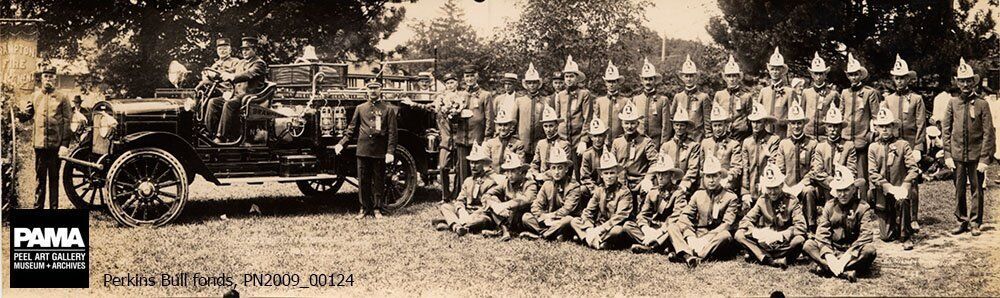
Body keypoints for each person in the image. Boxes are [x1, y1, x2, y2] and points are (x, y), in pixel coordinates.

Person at [943, 58, 995, 237]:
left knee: (976, 189)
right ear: (957, 83)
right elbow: (946, 130)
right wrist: (948, 154)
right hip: (957, 154)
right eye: (962, 81)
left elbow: (989, 133)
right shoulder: (952, 103)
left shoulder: (982, 104)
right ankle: (961, 220)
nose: (965, 84)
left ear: (973, 82)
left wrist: (984, 159)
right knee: (959, 188)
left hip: (976, 155)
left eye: (968, 81)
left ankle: (975, 222)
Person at [333, 79, 398, 219]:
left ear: (380, 90)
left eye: (376, 88)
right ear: (366, 90)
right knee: (363, 180)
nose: (373, 91)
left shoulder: (388, 109)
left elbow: (393, 133)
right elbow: (351, 129)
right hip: (363, 150)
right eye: (370, 88)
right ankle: (363, 208)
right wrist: (341, 143)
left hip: (379, 150)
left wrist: (390, 152)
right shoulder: (360, 108)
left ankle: (377, 209)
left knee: (379, 179)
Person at [804, 164, 878, 283]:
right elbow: (822, 234)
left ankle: (827, 268)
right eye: (839, 190)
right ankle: (845, 270)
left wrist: (849, 255)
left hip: (853, 251)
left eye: (846, 190)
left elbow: (866, 235)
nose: (842, 194)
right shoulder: (829, 206)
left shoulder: (863, 207)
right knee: (808, 245)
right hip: (833, 249)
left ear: (853, 189)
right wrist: (829, 254)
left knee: (870, 251)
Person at [402, 73, 469, 202]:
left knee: (461, 168)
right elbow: (428, 108)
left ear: (457, 83)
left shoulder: (463, 97)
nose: (450, 85)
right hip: (445, 138)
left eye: (452, 82)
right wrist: (412, 104)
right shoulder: (440, 98)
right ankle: (445, 196)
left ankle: (459, 195)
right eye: (448, 83)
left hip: (461, 138)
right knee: (443, 166)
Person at [666, 155, 739, 267]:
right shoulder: (698, 194)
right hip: (696, 234)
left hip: (714, 237)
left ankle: (689, 254)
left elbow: (727, 224)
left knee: (725, 236)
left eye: (714, 176)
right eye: (708, 176)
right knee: (672, 227)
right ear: (703, 177)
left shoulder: (730, 197)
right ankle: (689, 255)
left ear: (720, 176)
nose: (711, 180)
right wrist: (690, 237)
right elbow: (685, 216)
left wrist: (706, 239)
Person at [16, 65, 73, 209]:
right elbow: (27, 115)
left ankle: (54, 208)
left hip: (56, 146)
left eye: (51, 77)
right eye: (46, 76)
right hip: (40, 145)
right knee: (40, 179)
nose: (48, 79)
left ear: (55, 78)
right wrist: (18, 113)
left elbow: (67, 122)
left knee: (54, 179)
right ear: (41, 78)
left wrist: (65, 144)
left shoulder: (63, 97)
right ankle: (38, 208)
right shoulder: (35, 96)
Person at [881, 54, 926, 231]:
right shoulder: (888, 99)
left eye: (902, 78)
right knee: (893, 178)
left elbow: (921, 124)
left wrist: (919, 148)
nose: (899, 81)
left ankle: (913, 217)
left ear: (908, 79)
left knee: (911, 181)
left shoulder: (916, 99)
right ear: (894, 79)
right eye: (896, 78)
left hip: (910, 144)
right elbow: (882, 123)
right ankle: (895, 215)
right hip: (893, 144)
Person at [736, 163, 808, 269]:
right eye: (769, 188)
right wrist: (756, 232)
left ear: (782, 185)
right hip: (765, 242)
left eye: (775, 188)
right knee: (739, 234)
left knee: (799, 239)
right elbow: (745, 221)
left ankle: (763, 256)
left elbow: (801, 226)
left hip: (784, 244)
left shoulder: (792, 201)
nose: (772, 192)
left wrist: (785, 234)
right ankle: (765, 258)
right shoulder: (762, 200)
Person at [868, 106, 919, 250]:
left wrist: (904, 185)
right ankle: (897, 223)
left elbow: (913, 169)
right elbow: (872, 173)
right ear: (877, 128)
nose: (884, 130)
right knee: (886, 236)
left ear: (893, 127)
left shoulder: (903, 145)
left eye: (888, 126)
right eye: (881, 126)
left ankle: (905, 236)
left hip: (900, 190)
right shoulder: (873, 147)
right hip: (883, 192)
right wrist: (888, 187)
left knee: (903, 201)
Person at [571, 150, 638, 250]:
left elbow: (621, 216)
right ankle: (596, 240)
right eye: (606, 173)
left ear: (617, 174)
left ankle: (586, 239)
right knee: (575, 221)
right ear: (601, 175)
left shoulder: (624, 192)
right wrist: (589, 229)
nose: (609, 176)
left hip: (613, 226)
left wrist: (601, 228)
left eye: (612, 173)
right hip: (599, 225)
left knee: (618, 231)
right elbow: (589, 211)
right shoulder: (599, 190)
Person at [520, 145, 587, 240]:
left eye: (560, 168)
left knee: (568, 220)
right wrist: (541, 216)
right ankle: (550, 234)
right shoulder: (547, 184)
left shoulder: (574, 186)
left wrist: (549, 216)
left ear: (566, 169)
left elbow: (567, 210)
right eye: (553, 168)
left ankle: (541, 235)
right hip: (548, 221)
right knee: (526, 217)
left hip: (563, 221)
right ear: (550, 169)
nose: (556, 172)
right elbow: (536, 205)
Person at [432, 143, 500, 236]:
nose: (473, 166)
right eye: (471, 162)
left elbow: (489, 207)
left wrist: (473, 215)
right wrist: (461, 210)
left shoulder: (490, 182)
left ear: (483, 163)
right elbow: (460, 200)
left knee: (482, 220)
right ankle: (457, 227)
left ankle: (452, 224)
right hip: (466, 212)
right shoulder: (468, 181)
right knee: (445, 206)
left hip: (480, 214)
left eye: (477, 163)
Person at [840, 52, 881, 205]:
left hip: (862, 139)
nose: (853, 78)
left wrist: (872, 134)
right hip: (846, 139)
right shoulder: (844, 93)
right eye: (851, 75)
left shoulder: (869, 93)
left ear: (860, 75)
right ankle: (848, 202)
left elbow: (876, 116)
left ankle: (864, 204)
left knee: (862, 174)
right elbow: (841, 114)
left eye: (856, 74)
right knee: (846, 172)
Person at [627, 153, 686, 254]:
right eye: (658, 174)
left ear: (672, 175)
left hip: (667, 229)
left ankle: (652, 246)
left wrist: (660, 231)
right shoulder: (653, 192)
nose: (660, 177)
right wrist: (646, 229)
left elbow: (677, 216)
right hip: (653, 228)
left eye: (664, 174)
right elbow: (643, 214)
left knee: (673, 230)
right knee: (628, 225)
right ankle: (654, 243)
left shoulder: (678, 193)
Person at [809, 105, 863, 218]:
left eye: (836, 126)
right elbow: (817, 171)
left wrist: (840, 185)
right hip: (826, 187)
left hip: (845, 186)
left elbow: (851, 170)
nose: (833, 129)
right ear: (826, 128)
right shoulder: (820, 147)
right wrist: (832, 183)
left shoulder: (848, 146)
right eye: (830, 126)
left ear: (841, 128)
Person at [773, 105, 819, 231]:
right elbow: (779, 169)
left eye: (799, 123)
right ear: (789, 125)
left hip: (805, 185)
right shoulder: (784, 144)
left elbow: (815, 169)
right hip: (788, 184)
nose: (796, 126)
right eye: (793, 123)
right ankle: (783, 225)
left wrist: (802, 185)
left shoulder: (812, 143)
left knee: (808, 191)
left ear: (803, 124)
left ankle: (811, 226)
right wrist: (786, 186)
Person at [215, 37, 269, 142]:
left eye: (247, 49)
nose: (244, 52)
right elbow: (228, 70)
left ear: (255, 50)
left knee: (229, 104)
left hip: (249, 96)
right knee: (213, 102)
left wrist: (232, 76)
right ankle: (210, 132)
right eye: (243, 49)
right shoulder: (241, 62)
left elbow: (248, 74)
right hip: (236, 95)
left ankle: (221, 137)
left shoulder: (259, 63)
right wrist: (215, 73)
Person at [481, 152, 538, 241]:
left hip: (522, 218)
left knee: (526, 218)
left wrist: (504, 205)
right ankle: (505, 230)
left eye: (513, 171)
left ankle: (503, 232)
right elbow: (487, 195)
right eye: (507, 171)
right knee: (492, 199)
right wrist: (494, 205)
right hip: (508, 216)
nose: (509, 174)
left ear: (521, 171)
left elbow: (527, 200)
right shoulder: (505, 182)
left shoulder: (530, 183)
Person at [740, 101, 781, 212]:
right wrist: (745, 191)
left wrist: (767, 183)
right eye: (753, 122)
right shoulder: (747, 142)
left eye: (758, 122)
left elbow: (773, 163)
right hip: (752, 188)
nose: (755, 125)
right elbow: (745, 168)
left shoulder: (773, 140)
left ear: (765, 122)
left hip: (768, 186)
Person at [610, 101, 658, 194]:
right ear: (622, 124)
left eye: (632, 123)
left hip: (640, 181)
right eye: (626, 123)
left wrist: (647, 179)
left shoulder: (645, 142)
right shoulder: (617, 142)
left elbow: (655, 162)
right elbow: (612, 164)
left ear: (637, 124)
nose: (629, 127)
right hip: (621, 182)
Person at [556, 55, 595, 170]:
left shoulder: (584, 94)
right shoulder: (560, 95)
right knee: (562, 169)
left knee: (579, 170)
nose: (569, 79)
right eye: (566, 76)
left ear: (577, 78)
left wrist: (584, 140)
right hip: (563, 139)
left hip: (578, 139)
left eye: (571, 76)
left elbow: (587, 118)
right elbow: (558, 118)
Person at [658, 104, 702, 200]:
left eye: (682, 125)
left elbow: (693, 168)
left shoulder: (693, 146)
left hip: (686, 186)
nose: (679, 128)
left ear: (686, 127)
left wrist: (684, 184)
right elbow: (661, 167)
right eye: (677, 125)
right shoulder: (666, 146)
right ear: (673, 126)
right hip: (668, 185)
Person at [199, 38, 242, 135]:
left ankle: (211, 132)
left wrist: (219, 74)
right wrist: (205, 76)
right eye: (220, 49)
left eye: (225, 49)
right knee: (200, 96)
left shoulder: (236, 61)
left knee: (211, 102)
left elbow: (233, 73)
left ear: (230, 50)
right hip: (216, 90)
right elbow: (211, 77)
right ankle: (204, 127)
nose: (222, 51)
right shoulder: (215, 64)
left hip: (230, 91)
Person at [700, 105, 744, 195]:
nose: (717, 129)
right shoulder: (705, 143)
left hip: (726, 185)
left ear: (725, 125)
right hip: (707, 186)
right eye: (715, 126)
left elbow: (736, 168)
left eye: (720, 125)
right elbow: (701, 167)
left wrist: (727, 180)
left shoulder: (733, 144)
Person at [665, 54, 709, 143]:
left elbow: (707, 120)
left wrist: (707, 138)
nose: (689, 79)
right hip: (681, 136)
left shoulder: (703, 97)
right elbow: (672, 118)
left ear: (696, 77)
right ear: (682, 77)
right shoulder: (678, 97)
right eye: (686, 76)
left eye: (691, 76)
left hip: (697, 137)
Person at [514, 63, 551, 161]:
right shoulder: (519, 101)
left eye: (534, 82)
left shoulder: (545, 101)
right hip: (523, 144)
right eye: (529, 83)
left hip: (540, 143)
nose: (532, 85)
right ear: (525, 84)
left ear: (538, 84)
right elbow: (514, 122)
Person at [712, 55, 752, 141]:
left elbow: (750, 117)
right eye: (729, 76)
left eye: (734, 76)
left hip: (741, 135)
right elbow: (714, 116)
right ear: (725, 78)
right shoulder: (719, 95)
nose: (732, 79)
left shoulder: (746, 96)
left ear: (738, 77)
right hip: (724, 135)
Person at [756, 47, 793, 137]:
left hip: (781, 133)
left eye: (777, 69)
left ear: (782, 71)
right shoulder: (764, 91)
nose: (775, 72)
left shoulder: (789, 92)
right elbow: (758, 114)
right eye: (772, 69)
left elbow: (792, 116)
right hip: (766, 134)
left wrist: (789, 137)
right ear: (769, 70)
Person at [801, 52, 839, 140]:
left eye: (821, 74)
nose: (818, 77)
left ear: (825, 75)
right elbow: (802, 113)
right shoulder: (806, 93)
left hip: (825, 136)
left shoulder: (833, 94)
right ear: (812, 75)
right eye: (816, 74)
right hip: (808, 135)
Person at [529, 104, 571, 182]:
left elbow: (564, 167)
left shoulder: (564, 144)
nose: (548, 129)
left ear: (557, 126)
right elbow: (535, 163)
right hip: (540, 179)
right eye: (545, 126)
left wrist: (544, 176)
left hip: (557, 180)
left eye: (551, 126)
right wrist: (536, 174)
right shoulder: (541, 144)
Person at [633, 57, 668, 146]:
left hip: (655, 142)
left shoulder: (663, 100)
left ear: (655, 80)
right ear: (642, 81)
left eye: (650, 79)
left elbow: (666, 126)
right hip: (639, 142)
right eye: (646, 79)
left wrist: (663, 144)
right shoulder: (636, 99)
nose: (648, 82)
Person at [482, 106, 525, 170]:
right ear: (496, 126)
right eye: (500, 125)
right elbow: (486, 164)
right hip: (493, 176)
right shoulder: (490, 143)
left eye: (505, 125)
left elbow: (520, 163)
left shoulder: (518, 144)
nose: (502, 128)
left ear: (510, 126)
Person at [462, 64, 494, 144]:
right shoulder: (460, 95)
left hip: (478, 138)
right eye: (467, 76)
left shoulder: (485, 95)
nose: (469, 79)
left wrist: (488, 135)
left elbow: (489, 118)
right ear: (464, 78)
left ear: (477, 76)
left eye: (472, 76)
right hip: (461, 138)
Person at [593, 61, 623, 145]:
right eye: (609, 81)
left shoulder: (624, 101)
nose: (611, 84)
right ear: (605, 83)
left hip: (619, 141)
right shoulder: (600, 101)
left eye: (613, 81)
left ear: (618, 83)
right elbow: (596, 119)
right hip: (603, 141)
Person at [579, 118, 609, 190]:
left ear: (605, 136)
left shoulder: (609, 151)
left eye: (600, 136)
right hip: (593, 188)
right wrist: (595, 189)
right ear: (591, 137)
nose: (598, 139)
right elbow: (585, 177)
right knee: (582, 189)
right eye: (595, 136)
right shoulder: (587, 154)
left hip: (607, 186)